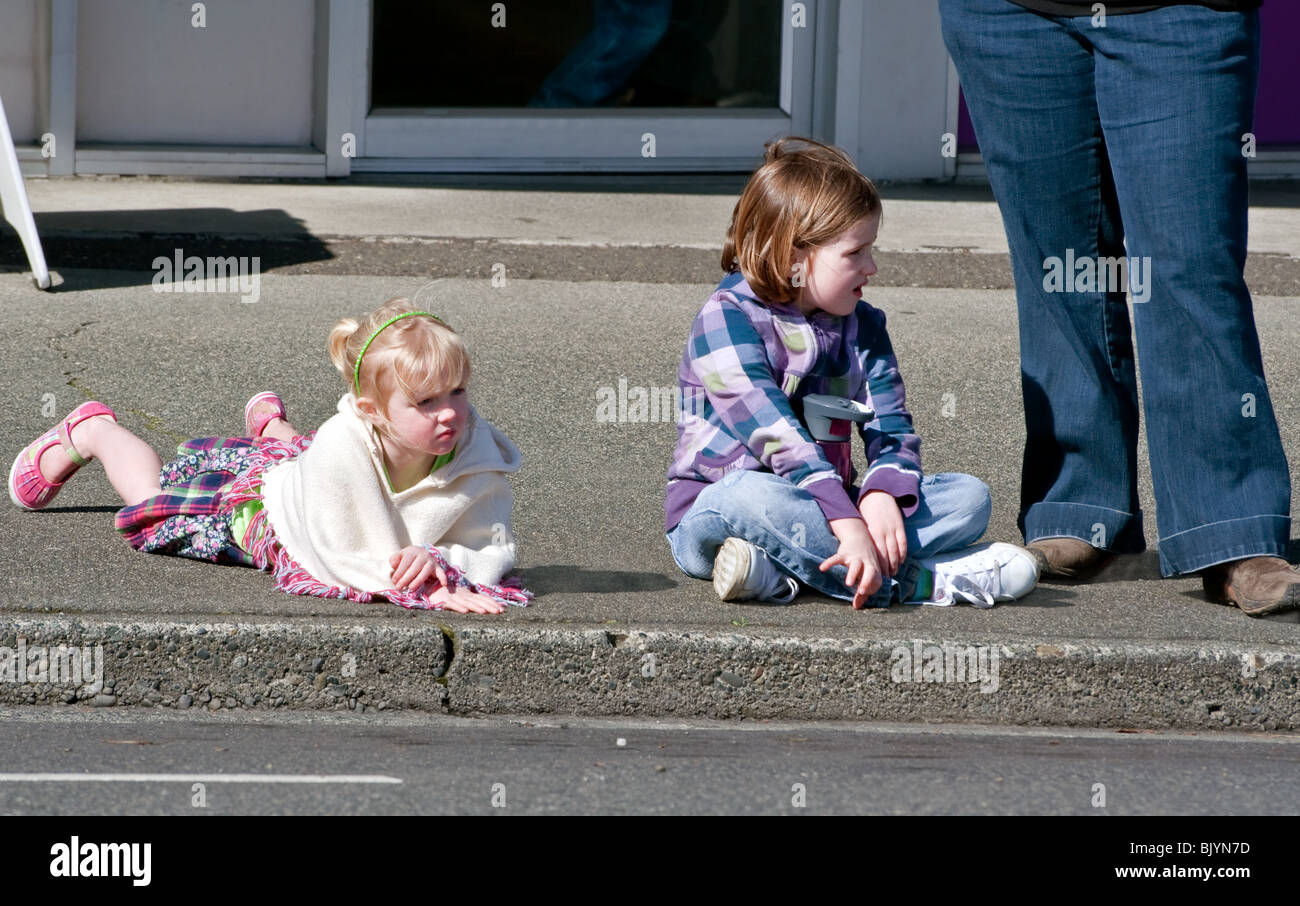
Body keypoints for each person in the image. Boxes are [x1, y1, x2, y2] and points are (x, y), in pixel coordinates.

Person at [939, 0, 1300, 616]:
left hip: (1182, 12)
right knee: (1056, 267)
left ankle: (1229, 528)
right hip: (1009, 14)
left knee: (1190, 264)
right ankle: (1081, 506)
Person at [665, 137, 1039, 609]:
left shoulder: (863, 326)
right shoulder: (725, 319)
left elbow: (894, 430)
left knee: (969, 498)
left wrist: (883, 493)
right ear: (792, 256)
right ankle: (921, 584)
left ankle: (778, 573)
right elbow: (777, 438)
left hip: (830, 507)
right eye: (854, 253)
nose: (872, 267)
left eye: (872, 248)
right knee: (747, 493)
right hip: (717, 512)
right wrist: (848, 522)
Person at [8, 299, 529, 615]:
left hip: (311, 471)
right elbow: (338, 545)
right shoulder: (343, 441)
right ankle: (94, 431)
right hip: (266, 510)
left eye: (457, 392)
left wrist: (446, 561)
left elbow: (487, 538)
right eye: (426, 402)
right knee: (157, 501)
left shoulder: (473, 444)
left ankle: (272, 430)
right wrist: (419, 587)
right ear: (371, 410)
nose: (449, 414)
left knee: (301, 456)